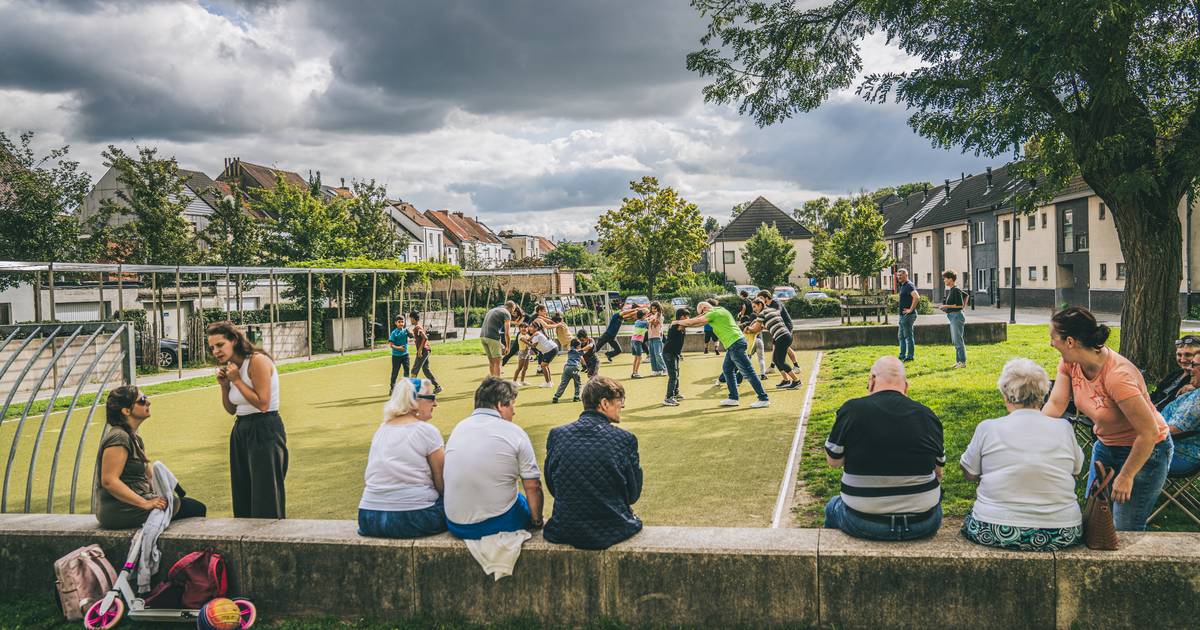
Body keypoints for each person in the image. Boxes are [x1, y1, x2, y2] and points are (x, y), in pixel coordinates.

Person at [1043, 307, 1172, 531]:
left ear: (1070, 341)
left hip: (1145, 451)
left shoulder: (1117, 376)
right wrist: (1026, 428)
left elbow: (1149, 433)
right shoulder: (1070, 363)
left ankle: (1131, 566)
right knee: (1095, 520)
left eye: (1053, 338)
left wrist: (1127, 475)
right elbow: (1056, 405)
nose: (1051, 343)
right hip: (1106, 446)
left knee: (1124, 528)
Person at [959, 359, 1083, 551]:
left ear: (1006, 397)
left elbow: (969, 473)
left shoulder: (988, 428)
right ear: (1042, 396)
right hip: (1061, 530)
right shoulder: (1064, 428)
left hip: (994, 528)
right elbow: (1076, 471)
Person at [824, 357, 944, 540]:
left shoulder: (852, 410)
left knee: (833, 505)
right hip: (923, 522)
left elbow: (833, 461)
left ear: (871, 380)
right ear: (906, 386)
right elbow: (938, 471)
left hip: (862, 520)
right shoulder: (928, 416)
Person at [543, 376, 643, 549]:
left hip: (565, 528)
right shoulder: (625, 439)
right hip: (615, 528)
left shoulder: (557, 435)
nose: (623, 405)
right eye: (620, 400)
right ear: (604, 403)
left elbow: (553, 486)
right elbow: (633, 494)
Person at [444, 377, 544, 538]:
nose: (514, 411)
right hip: (494, 525)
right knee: (521, 501)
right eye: (512, 405)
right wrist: (537, 521)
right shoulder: (514, 431)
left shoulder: (459, 427)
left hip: (455, 524)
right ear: (500, 405)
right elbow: (533, 486)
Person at [95, 386, 207, 529]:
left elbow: (150, 475)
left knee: (188, 505)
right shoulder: (119, 437)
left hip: (131, 504)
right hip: (121, 510)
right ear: (126, 410)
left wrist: (160, 494)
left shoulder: (133, 437)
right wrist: (145, 503)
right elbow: (109, 481)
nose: (148, 402)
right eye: (142, 400)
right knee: (195, 509)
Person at [208, 320, 288, 519]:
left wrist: (236, 380)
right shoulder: (232, 367)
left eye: (220, 345)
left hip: (264, 428)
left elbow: (263, 404)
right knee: (242, 491)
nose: (216, 351)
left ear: (234, 340)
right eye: (212, 347)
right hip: (241, 428)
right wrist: (225, 386)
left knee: (265, 494)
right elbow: (231, 409)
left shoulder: (257, 361)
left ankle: (271, 541)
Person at [358, 378, 448, 539]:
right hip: (412, 518)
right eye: (431, 398)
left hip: (367, 517)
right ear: (414, 400)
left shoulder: (382, 429)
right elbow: (442, 482)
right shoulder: (427, 431)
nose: (435, 404)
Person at [673, 302, 770, 408]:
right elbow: (698, 322)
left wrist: (677, 322)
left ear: (704, 308)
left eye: (702, 313)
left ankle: (763, 398)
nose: (702, 315)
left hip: (735, 343)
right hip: (735, 343)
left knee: (748, 371)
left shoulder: (713, 313)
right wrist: (685, 323)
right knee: (727, 369)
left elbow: (696, 321)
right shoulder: (720, 310)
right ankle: (733, 398)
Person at [1159, 355, 1200, 477]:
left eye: (1194, 365)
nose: (1189, 369)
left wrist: (1139, 429)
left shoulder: (1198, 401)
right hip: (1170, 447)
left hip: (1179, 455)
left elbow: (1174, 430)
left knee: (1115, 449)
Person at [749, 299, 800, 389]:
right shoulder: (772, 310)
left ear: (760, 305)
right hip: (786, 336)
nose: (753, 309)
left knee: (781, 361)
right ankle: (786, 380)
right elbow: (768, 326)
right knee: (776, 360)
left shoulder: (762, 314)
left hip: (782, 337)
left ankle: (796, 381)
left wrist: (747, 329)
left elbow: (756, 329)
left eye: (754, 307)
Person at [1151, 336, 1200, 411]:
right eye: (1179, 355)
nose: (1182, 360)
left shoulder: (1196, 381)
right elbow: (1155, 394)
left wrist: (1196, 387)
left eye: (1188, 355)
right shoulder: (1175, 374)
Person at [757, 289, 799, 373]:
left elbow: (777, 313)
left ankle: (796, 366)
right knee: (776, 346)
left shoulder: (776, 303)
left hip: (786, 326)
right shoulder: (767, 306)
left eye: (761, 298)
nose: (760, 301)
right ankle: (773, 367)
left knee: (784, 347)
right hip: (778, 328)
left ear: (766, 297)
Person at [409, 311, 442, 394]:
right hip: (426, 350)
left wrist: (419, 350)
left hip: (423, 351)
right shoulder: (418, 327)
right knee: (426, 370)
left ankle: (412, 391)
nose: (410, 320)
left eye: (410, 318)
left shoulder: (417, 328)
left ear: (413, 318)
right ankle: (437, 386)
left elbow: (425, 337)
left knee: (414, 370)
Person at [481, 301, 517, 377]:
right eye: (514, 309)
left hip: (483, 337)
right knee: (497, 363)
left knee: (491, 362)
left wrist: (500, 343)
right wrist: (508, 347)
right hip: (492, 338)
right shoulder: (507, 313)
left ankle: (492, 383)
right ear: (512, 308)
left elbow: (492, 326)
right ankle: (497, 385)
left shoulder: (493, 310)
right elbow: (507, 333)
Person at [940, 270, 967, 368]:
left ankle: (962, 362)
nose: (944, 281)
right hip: (952, 316)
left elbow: (959, 305)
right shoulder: (952, 290)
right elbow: (966, 296)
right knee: (955, 340)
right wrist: (947, 309)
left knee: (958, 340)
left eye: (945, 279)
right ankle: (958, 361)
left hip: (956, 316)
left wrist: (946, 305)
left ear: (950, 279)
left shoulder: (955, 290)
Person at [662, 307, 688, 406]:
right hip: (669, 353)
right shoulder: (676, 325)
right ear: (682, 316)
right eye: (686, 316)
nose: (688, 318)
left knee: (676, 374)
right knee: (673, 376)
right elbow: (690, 322)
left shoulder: (679, 324)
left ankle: (676, 393)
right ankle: (668, 398)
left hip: (674, 353)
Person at [529, 322, 560, 388]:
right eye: (530, 327)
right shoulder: (536, 334)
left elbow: (533, 346)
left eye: (532, 327)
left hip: (551, 349)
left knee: (543, 365)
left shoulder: (536, 335)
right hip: (552, 349)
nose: (530, 328)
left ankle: (548, 383)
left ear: (536, 328)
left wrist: (524, 341)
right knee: (545, 365)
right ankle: (549, 382)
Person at [896, 268, 917, 362]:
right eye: (898, 275)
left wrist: (910, 310)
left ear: (906, 275)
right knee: (901, 336)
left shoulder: (909, 285)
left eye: (901, 275)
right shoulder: (903, 285)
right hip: (902, 315)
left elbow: (916, 297)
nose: (899, 277)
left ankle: (910, 356)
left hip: (908, 315)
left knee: (908, 336)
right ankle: (902, 355)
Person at [553, 338, 584, 403]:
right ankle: (576, 396)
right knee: (577, 383)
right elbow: (582, 359)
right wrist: (585, 366)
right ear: (578, 346)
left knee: (563, 383)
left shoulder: (569, 351)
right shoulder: (579, 352)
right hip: (575, 368)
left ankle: (556, 396)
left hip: (567, 368)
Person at [387, 315, 410, 394]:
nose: (401, 323)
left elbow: (412, 336)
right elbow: (391, 345)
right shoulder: (394, 333)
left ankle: (406, 387)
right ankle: (392, 388)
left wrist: (411, 333)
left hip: (405, 355)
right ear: (396, 323)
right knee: (395, 372)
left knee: (407, 371)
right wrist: (399, 348)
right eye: (399, 322)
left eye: (402, 322)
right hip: (396, 356)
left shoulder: (406, 331)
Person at [646, 302, 667, 376]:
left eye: (655, 308)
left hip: (657, 336)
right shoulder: (651, 315)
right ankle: (656, 370)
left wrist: (648, 319)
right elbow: (648, 322)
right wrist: (648, 318)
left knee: (658, 354)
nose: (653, 310)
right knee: (652, 355)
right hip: (650, 336)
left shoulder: (659, 315)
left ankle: (664, 369)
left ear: (658, 308)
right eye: (652, 308)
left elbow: (653, 321)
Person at [629, 309, 648, 378]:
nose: (646, 316)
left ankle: (634, 372)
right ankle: (635, 373)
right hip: (637, 341)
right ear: (643, 316)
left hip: (634, 340)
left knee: (636, 357)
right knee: (639, 358)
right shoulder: (643, 323)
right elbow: (649, 323)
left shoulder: (637, 321)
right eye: (645, 315)